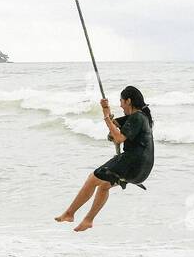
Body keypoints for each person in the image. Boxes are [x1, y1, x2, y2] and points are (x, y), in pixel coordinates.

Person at [55, 85, 154, 232]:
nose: (120, 105)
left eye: (121, 101)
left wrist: (107, 118)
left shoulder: (137, 117)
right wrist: (105, 110)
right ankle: (88, 220)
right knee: (104, 186)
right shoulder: (138, 117)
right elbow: (114, 126)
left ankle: (70, 213)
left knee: (92, 178)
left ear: (128, 101)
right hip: (143, 170)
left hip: (133, 163)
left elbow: (119, 137)